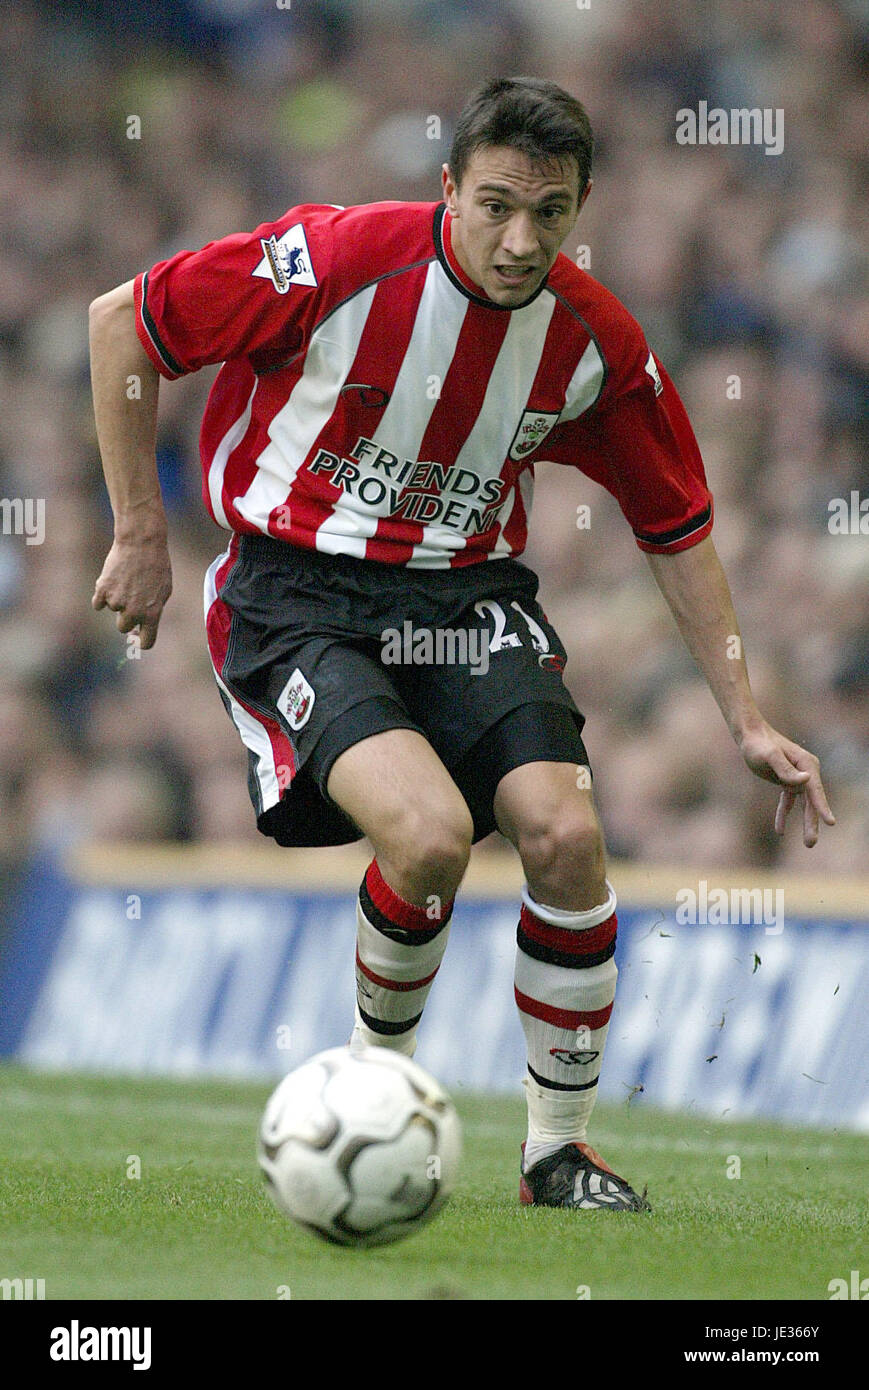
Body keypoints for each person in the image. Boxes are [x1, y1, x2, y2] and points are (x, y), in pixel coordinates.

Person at [89, 76, 834, 1213]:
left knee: (564, 831)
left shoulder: (594, 341)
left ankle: (556, 1155)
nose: (518, 238)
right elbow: (121, 324)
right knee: (431, 839)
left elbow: (674, 522)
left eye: (549, 213)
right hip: (299, 593)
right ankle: (371, 1085)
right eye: (494, 206)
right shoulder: (331, 260)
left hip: (462, 595)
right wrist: (140, 527)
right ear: (447, 189)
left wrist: (743, 713)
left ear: (583, 205)